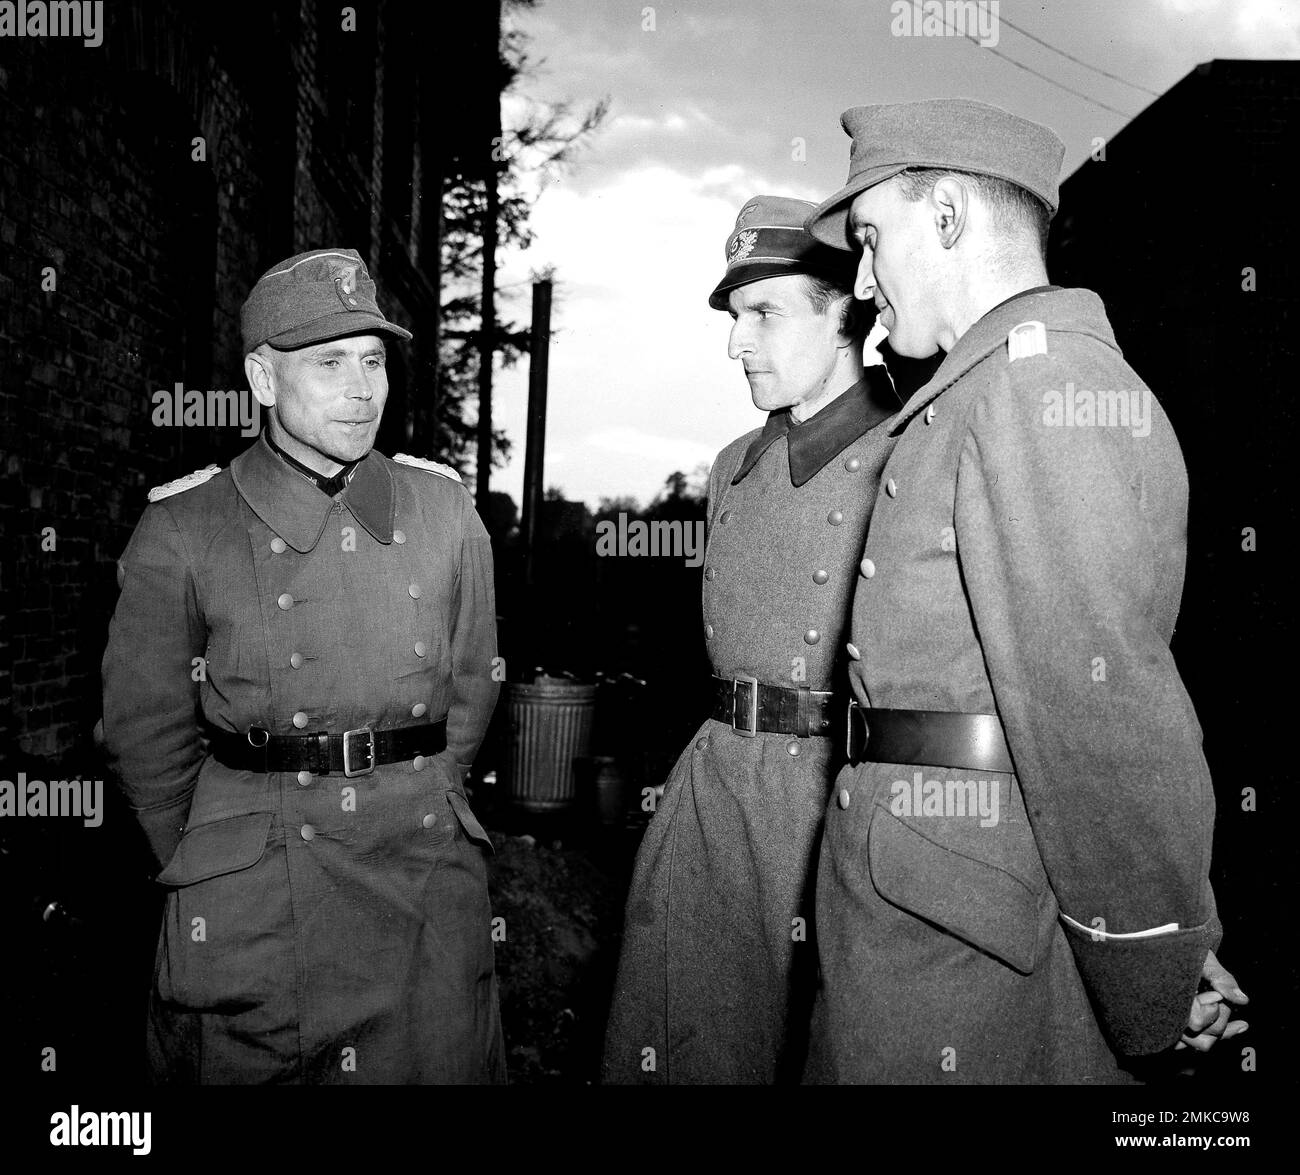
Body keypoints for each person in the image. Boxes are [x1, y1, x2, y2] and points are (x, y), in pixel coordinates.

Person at [801, 99, 1248, 1082]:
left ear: (949, 216)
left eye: (872, 239)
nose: (861, 283)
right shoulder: (985, 389)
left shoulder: (1036, 393)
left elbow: (1100, 710)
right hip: (931, 906)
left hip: (966, 945)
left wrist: (1151, 958)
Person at [101, 247, 505, 1083]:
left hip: (419, 872)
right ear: (261, 377)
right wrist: (228, 847)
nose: (363, 388)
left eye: (374, 360)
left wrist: (425, 790)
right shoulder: (185, 526)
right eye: (330, 363)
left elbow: (472, 689)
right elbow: (148, 736)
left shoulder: (443, 510)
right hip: (261, 899)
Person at [601, 195, 900, 1083]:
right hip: (716, 790)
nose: (738, 344)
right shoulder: (735, 461)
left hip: (836, 797)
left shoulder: (909, 444)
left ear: (846, 309)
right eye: (735, 319)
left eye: (766, 313)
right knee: (692, 1039)